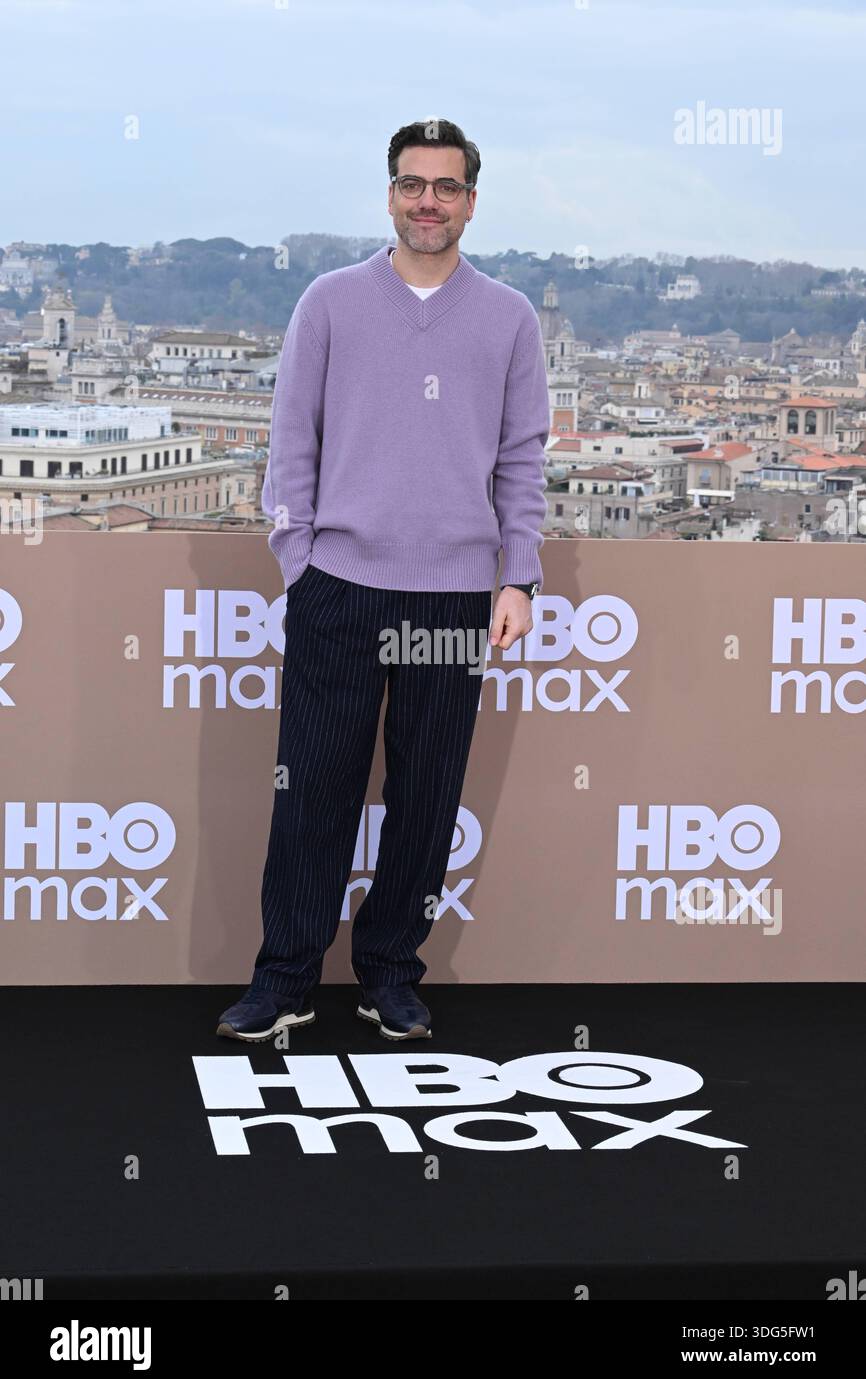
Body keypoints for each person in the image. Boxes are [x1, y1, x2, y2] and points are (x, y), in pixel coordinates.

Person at [217, 118, 548, 1045]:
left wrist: (518, 577)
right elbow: (292, 440)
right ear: (390, 194)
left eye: (445, 186)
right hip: (339, 586)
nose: (427, 202)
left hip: (455, 596)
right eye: (412, 184)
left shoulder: (510, 318)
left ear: (471, 202)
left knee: (427, 797)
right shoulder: (328, 302)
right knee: (312, 793)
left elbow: (523, 458)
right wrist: (300, 565)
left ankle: (391, 973)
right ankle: (284, 978)